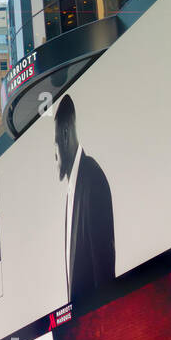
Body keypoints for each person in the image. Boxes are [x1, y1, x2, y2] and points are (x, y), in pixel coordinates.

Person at [54, 93, 115, 303]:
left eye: (54, 144)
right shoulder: (72, 189)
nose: (54, 155)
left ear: (64, 134)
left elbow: (104, 272)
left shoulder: (92, 179)